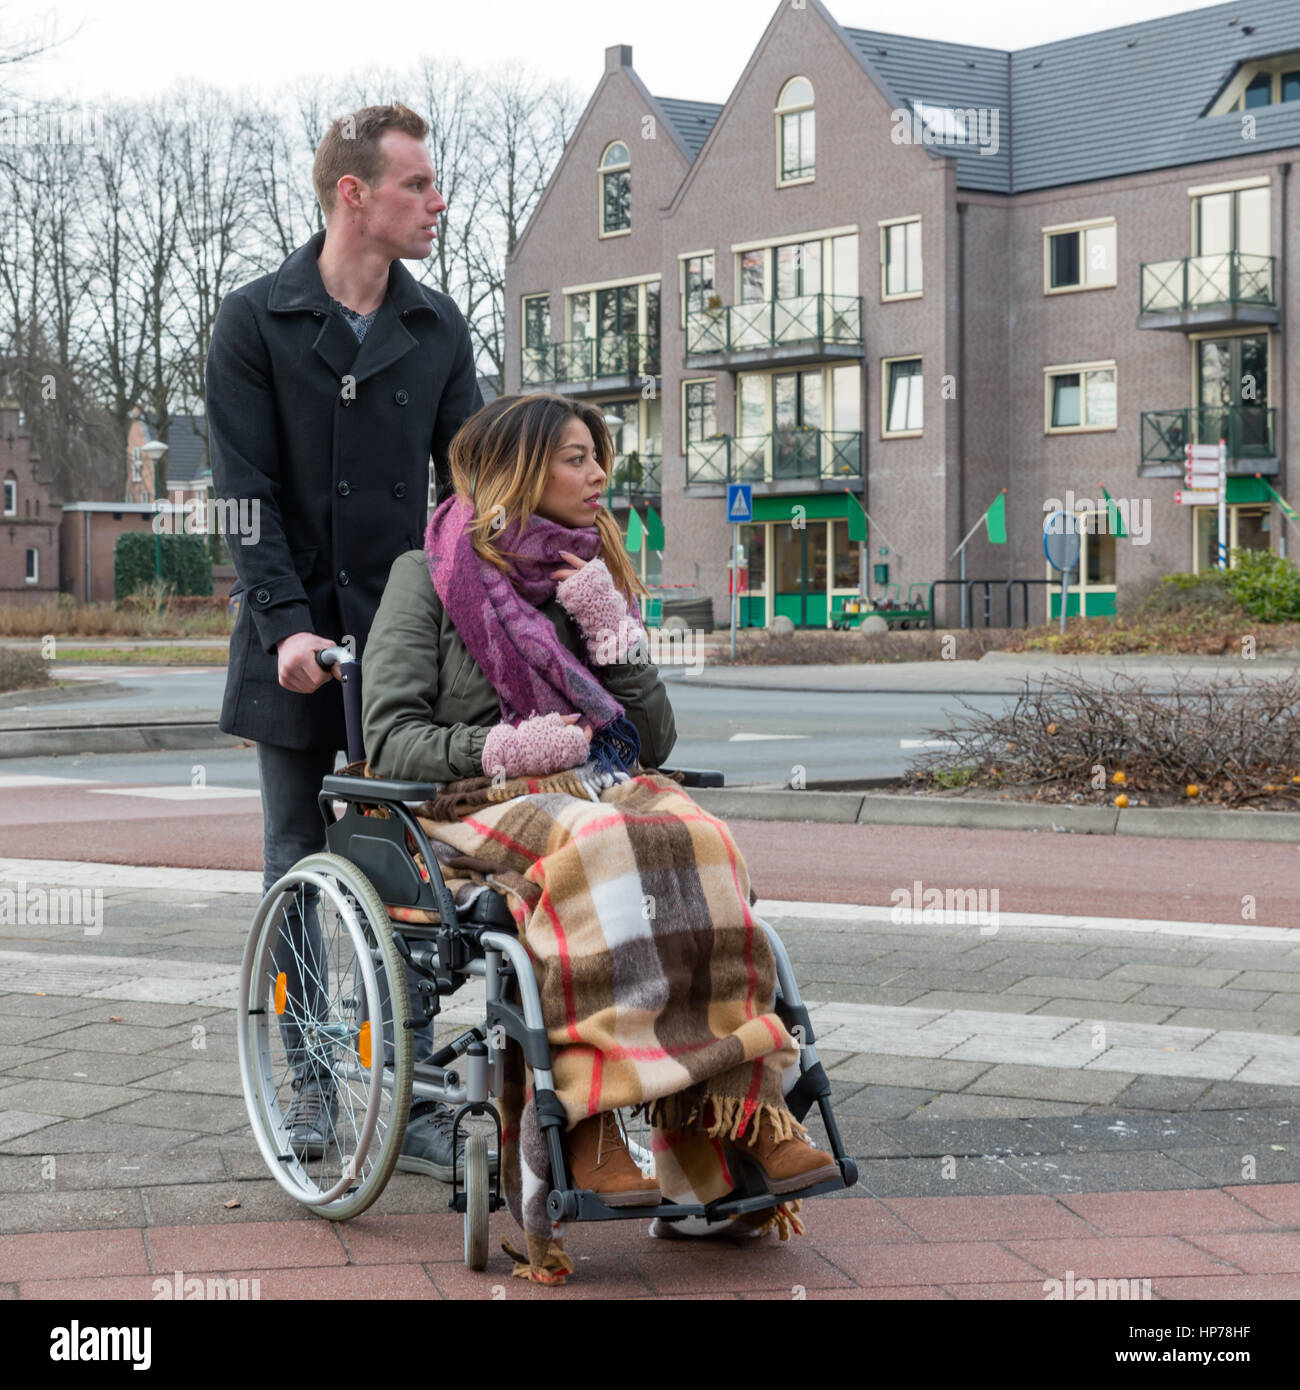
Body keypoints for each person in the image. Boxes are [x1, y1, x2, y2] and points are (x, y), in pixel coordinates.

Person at [361, 391, 838, 1282]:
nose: (598, 475)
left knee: (700, 838)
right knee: (601, 847)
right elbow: (390, 740)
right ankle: (583, 1128)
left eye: (597, 457)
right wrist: (506, 745)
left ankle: (740, 1128)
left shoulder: (590, 569)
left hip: (592, 788)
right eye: (578, 457)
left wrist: (609, 628)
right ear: (521, 466)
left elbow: (650, 739)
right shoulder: (425, 576)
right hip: (473, 797)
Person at [206, 102, 488, 1181]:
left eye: (434, 184)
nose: (437, 202)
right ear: (353, 195)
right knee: (297, 866)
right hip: (291, 645)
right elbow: (245, 500)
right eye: (418, 185)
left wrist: (497, 605)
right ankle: (312, 1090)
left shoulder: (437, 328)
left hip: (404, 652)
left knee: (409, 877)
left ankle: (408, 1093)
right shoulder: (255, 321)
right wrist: (282, 625)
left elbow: (466, 490)